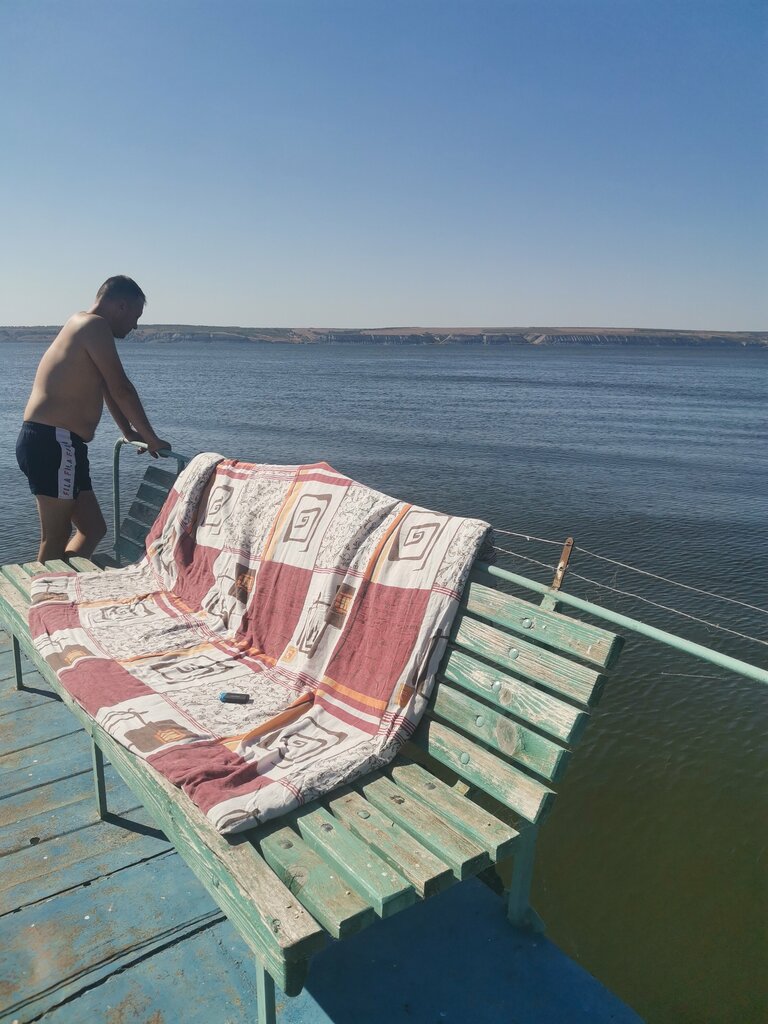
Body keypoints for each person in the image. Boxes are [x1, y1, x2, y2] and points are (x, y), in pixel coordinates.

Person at [16, 275, 171, 562]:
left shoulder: (80, 324)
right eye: (135, 316)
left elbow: (106, 387)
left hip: (62, 443)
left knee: (93, 528)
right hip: (54, 441)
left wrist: (129, 430)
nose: (135, 325)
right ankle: (43, 599)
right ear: (120, 306)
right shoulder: (94, 325)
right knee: (56, 536)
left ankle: (60, 582)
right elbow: (122, 387)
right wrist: (153, 439)